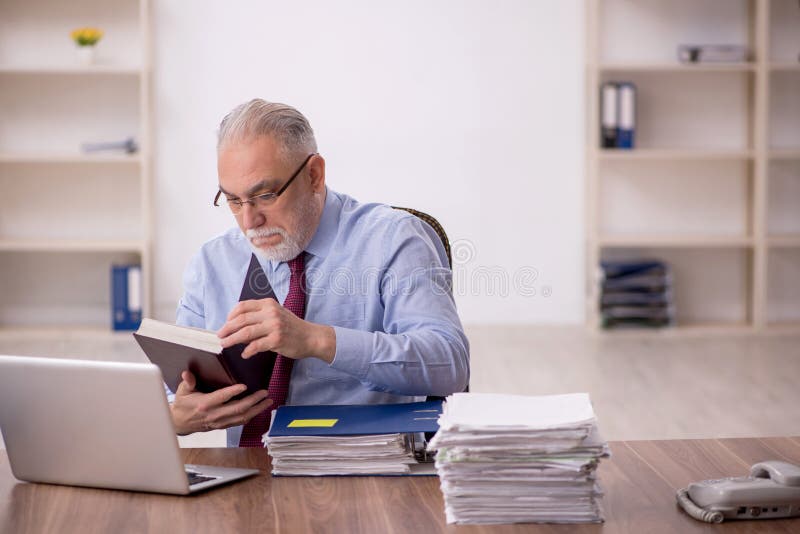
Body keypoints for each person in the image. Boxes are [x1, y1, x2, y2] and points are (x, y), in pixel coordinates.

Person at [170, 99, 469, 447]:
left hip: (366, 472)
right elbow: (172, 389)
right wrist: (177, 416)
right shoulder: (212, 262)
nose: (249, 222)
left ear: (314, 175)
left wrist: (317, 340)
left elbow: (449, 364)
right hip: (248, 477)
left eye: (265, 195)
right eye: (233, 200)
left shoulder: (395, 239)